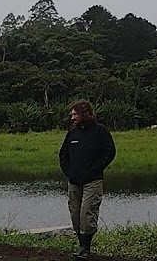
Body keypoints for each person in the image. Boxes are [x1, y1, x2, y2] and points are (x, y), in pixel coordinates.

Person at [58, 100, 116, 260]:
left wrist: (96, 169)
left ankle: (85, 248)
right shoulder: (72, 133)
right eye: (72, 114)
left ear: (85, 114)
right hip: (74, 181)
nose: (72, 117)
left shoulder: (100, 131)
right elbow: (63, 155)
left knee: (87, 213)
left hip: (93, 181)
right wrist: (69, 171)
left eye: (75, 114)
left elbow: (110, 152)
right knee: (75, 213)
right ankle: (80, 245)